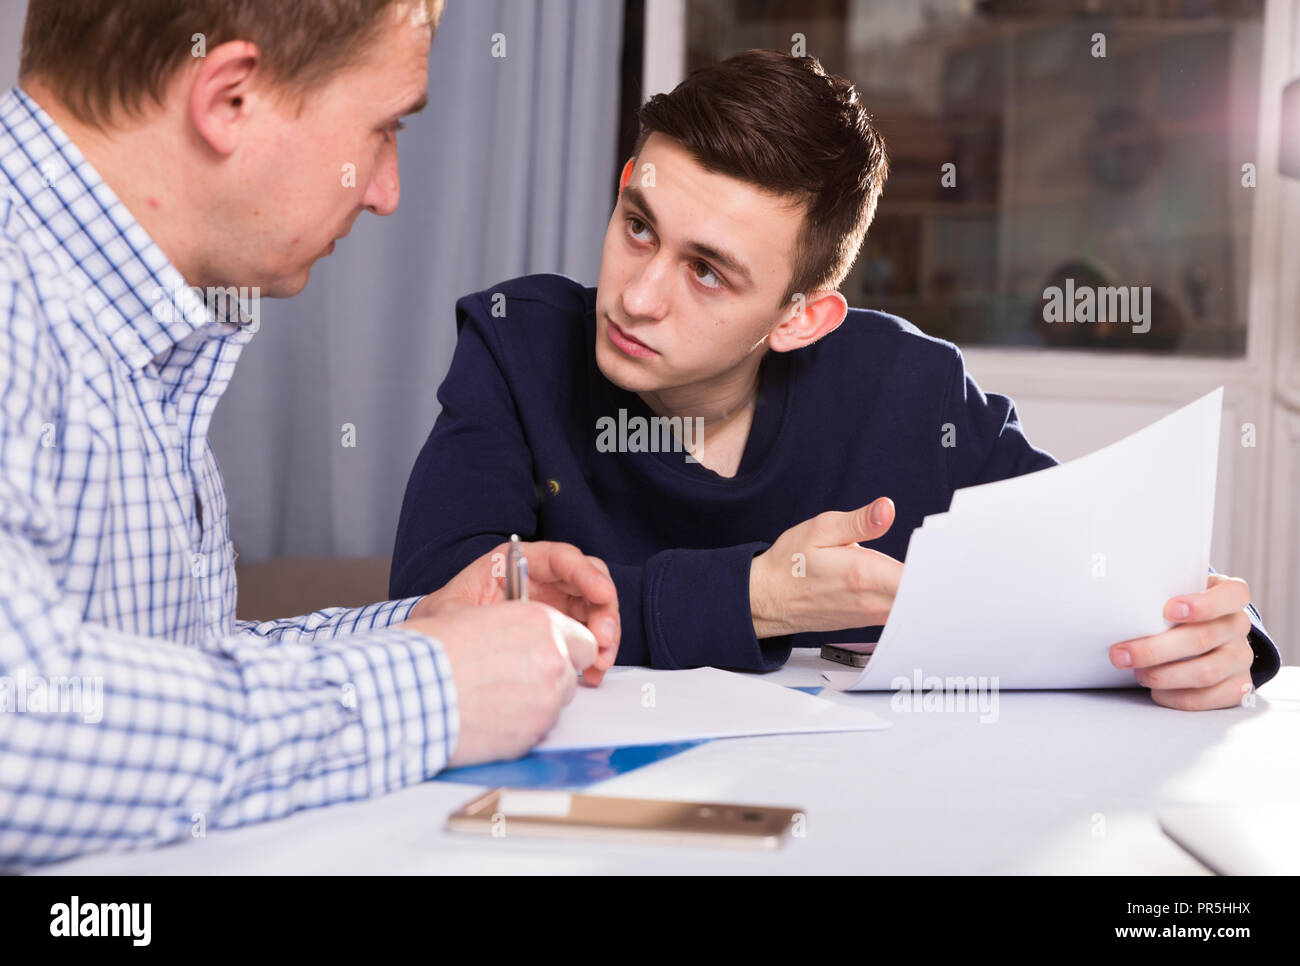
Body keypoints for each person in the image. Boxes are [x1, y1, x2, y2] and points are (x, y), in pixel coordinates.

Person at [390, 49, 1279, 710]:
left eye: (708, 271)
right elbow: (429, 614)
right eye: (638, 225)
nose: (638, 294)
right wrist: (755, 599)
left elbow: (1110, 565)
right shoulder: (518, 346)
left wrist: (1216, 637)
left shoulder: (911, 391)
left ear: (800, 318)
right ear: (626, 185)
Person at [0, 0, 619, 869]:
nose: (387, 191)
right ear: (230, 98)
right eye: (383, 128)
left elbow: (165, 674)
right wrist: (431, 692)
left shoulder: (120, 324)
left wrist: (430, 631)